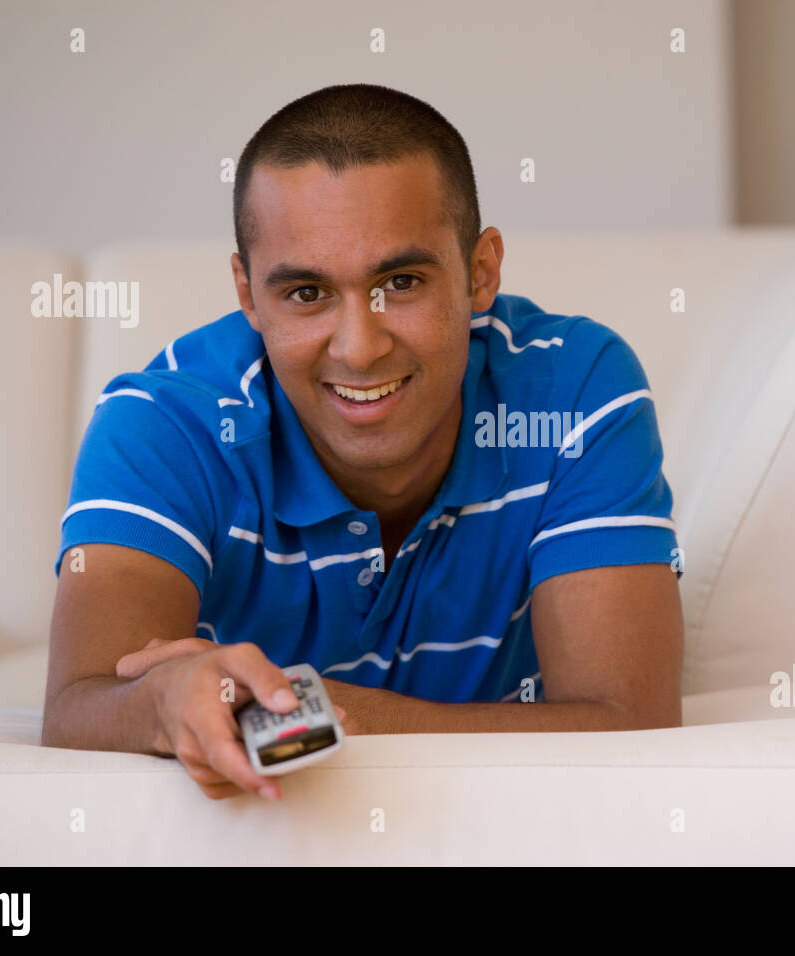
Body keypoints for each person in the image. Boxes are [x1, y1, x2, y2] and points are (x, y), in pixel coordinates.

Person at [41, 83, 684, 801]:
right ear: (249, 294)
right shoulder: (163, 424)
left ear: (480, 272)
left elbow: (631, 724)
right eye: (307, 294)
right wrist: (161, 705)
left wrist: (320, 714)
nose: (358, 348)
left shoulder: (577, 387)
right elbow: (75, 707)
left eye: (400, 281)